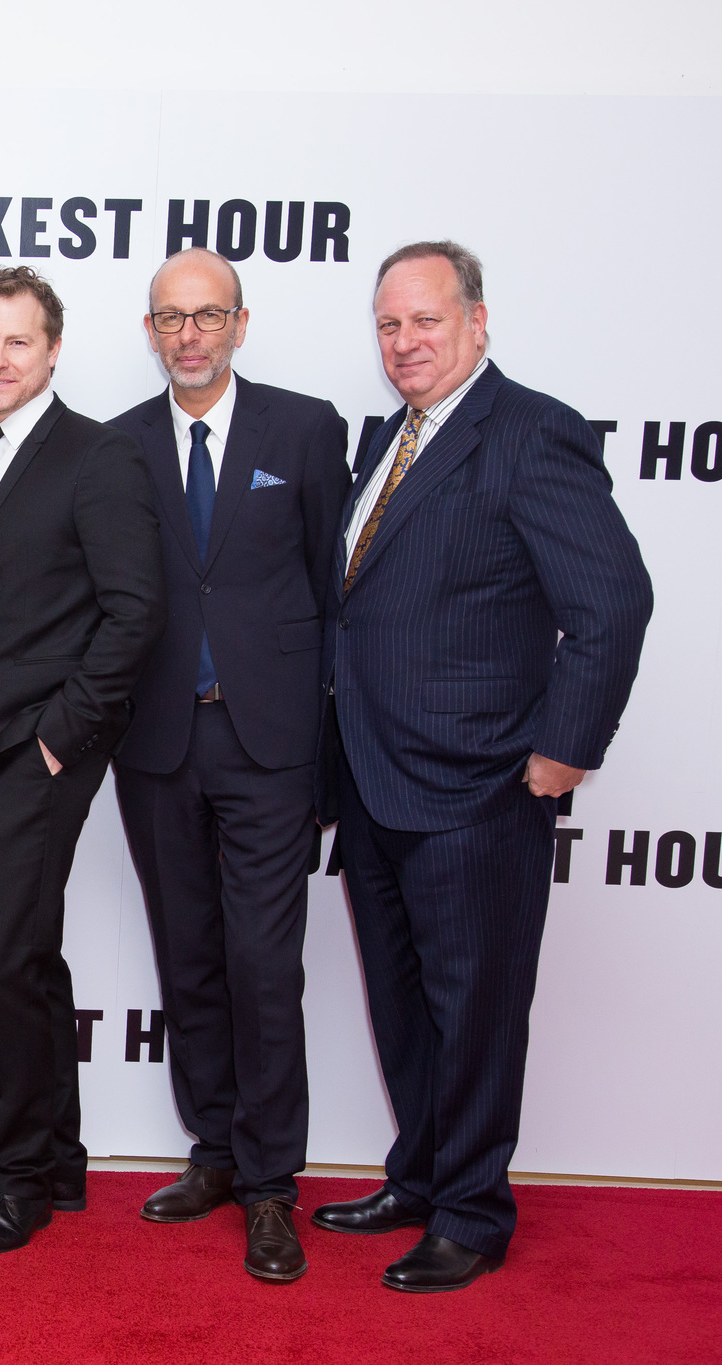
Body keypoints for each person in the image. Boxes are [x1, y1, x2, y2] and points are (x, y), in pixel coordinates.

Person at [314, 241, 650, 1292]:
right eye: (386, 325)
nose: (403, 342)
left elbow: (611, 604)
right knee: (403, 1006)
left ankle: (470, 1211)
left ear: (475, 320)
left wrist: (561, 750)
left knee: (473, 1010)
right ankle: (417, 1177)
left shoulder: (528, 432)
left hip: (477, 787)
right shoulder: (391, 438)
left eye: (423, 320)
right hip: (373, 780)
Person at [105, 250, 350, 1282]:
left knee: (261, 967)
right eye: (171, 317)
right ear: (150, 329)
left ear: (240, 325)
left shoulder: (303, 427)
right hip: (158, 743)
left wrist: (331, 747)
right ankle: (210, 1151)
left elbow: (331, 588)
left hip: (269, 744)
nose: (190, 335)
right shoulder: (114, 447)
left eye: (209, 317)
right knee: (189, 959)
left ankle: (267, 1186)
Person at [0, 266, 165, 1256]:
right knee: (26, 960)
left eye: (15, 342)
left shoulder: (97, 457)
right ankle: (55, 1159)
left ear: (53, 349)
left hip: (40, 752)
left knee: (7, 961)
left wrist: (62, 736)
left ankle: (18, 1181)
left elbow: (133, 612)